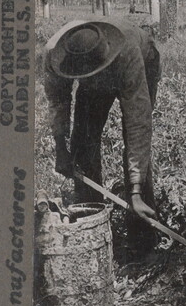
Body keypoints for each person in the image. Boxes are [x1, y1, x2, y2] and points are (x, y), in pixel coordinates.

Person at [43, 18, 161, 260]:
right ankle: (91, 225)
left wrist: (135, 191)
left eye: (95, 76)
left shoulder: (128, 54)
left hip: (141, 61)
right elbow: (58, 100)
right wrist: (61, 148)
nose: (94, 81)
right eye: (87, 77)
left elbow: (138, 125)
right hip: (94, 64)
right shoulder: (54, 55)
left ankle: (143, 239)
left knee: (134, 146)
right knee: (82, 146)